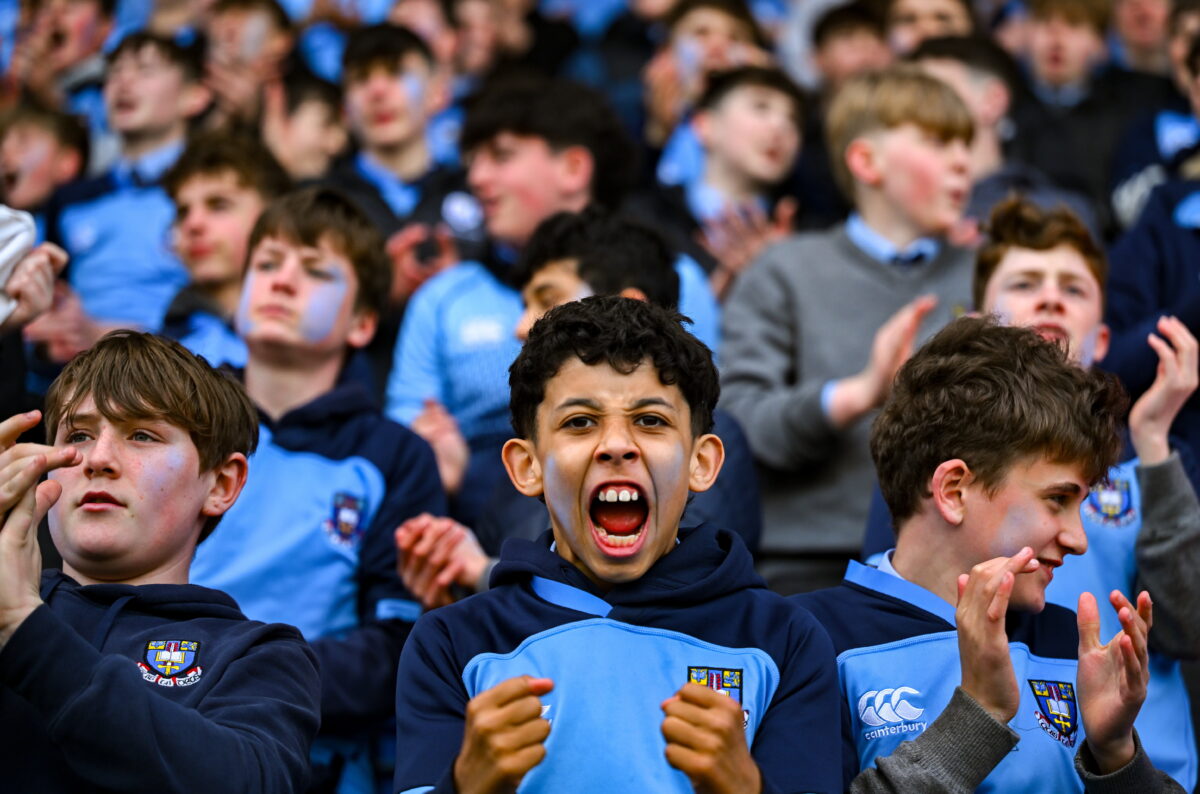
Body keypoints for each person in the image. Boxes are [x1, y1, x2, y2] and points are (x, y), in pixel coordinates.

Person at [392, 295, 843, 794]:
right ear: (528, 466)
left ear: (702, 463)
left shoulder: (784, 639)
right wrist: (464, 786)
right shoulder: (452, 642)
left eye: (650, 420)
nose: (616, 445)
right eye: (579, 422)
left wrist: (745, 788)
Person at [862, 197, 1200, 788]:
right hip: (962, 745)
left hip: (1134, 765)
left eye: (1073, 287)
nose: (1050, 299)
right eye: (1024, 283)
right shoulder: (931, 458)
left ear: (1102, 337)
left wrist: (1151, 444)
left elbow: (1189, 625)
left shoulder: (1158, 460)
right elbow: (902, 601)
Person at [798, 316, 1184, 792]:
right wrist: (978, 715)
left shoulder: (1066, 640)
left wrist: (1116, 755)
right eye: (1057, 499)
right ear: (954, 491)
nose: (1078, 539)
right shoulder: (811, 638)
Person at [188, 187, 446, 792]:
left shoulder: (396, 456)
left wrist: (234, 675)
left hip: (309, 761)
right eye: (266, 264)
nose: (281, 282)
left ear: (362, 324)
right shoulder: (177, 423)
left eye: (315, 271)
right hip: (153, 721)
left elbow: (395, 647)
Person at [0, 330, 320, 792]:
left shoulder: (259, 655)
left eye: (142, 435)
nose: (98, 459)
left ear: (221, 484)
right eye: (79, 435)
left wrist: (24, 630)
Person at [394, 209, 764, 607]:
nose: (520, 326)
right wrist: (447, 558)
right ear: (526, 465)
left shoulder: (715, 431)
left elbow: (678, 584)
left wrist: (483, 572)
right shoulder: (531, 445)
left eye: (547, 299)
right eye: (580, 423)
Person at [386, 74, 718, 514]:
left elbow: (700, 415)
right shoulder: (445, 294)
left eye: (501, 156)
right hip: (470, 512)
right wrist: (435, 461)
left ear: (573, 169)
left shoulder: (676, 277)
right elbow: (407, 429)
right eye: (473, 160)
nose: (477, 178)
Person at [720, 65, 975, 593]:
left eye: (966, 145)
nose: (962, 162)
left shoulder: (988, 276)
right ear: (865, 161)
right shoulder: (784, 270)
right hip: (807, 564)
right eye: (938, 141)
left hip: (958, 564)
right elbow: (740, 424)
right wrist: (859, 393)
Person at [34, 32, 212, 361]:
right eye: (114, 71)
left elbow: (226, 310)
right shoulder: (70, 198)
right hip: (77, 372)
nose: (123, 82)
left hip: (185, 372)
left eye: (145, 70)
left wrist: (102, 336)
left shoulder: (215, 195)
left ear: (195, 96)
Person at [627, 65, 804, 299]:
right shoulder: (642, 219)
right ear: (704, 126)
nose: (781, 126)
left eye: (793, 119)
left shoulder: (805, 238)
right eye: (761, 107)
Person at [160, 130, 291, 369]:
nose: (193, 224)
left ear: (274, 217)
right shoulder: (159, 355)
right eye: (182, 212)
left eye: (218, 205)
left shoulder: (318, 337)